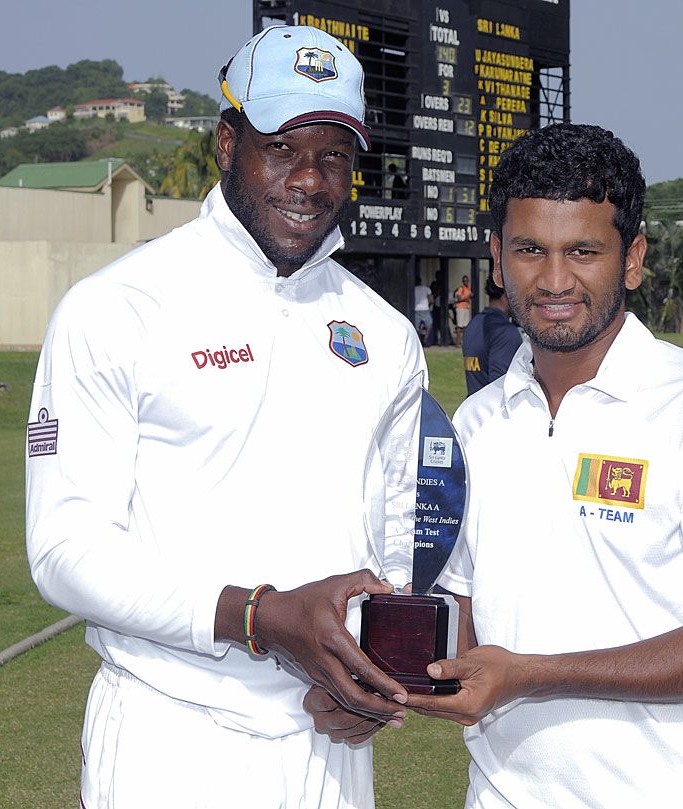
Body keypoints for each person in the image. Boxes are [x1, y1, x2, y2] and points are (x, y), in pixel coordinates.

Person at [25, 25, 424, 809]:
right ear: (226, 142)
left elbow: (399, 537)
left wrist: (378, 670)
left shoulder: (385, 334)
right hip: (168, 731)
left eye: (335, 155)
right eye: (281, 147)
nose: (309, 179)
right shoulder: (117, 308)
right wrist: (255, 616)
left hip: (325, 738)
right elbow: (65, 549)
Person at [402, 124, 683, 807]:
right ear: (498, 260)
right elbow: (461, 629)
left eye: (584, 250)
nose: (555, 280)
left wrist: (533, 674)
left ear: (633, 259)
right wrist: (371, 668)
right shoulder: (475, 425)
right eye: (530, 249)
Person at [461, 275, 523, 395]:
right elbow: (499, 385)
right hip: (495, 410)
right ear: (506, 294)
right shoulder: (505, 331)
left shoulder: (473, 324)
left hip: (474, 407)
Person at [453, 274, 473, 346]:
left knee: (466, 326)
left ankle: (464, 342)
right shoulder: (461, 288)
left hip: (466, 308)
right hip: (460, 308)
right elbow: (459, 298)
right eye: (465, 281)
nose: (466, 282)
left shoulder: (469, 288)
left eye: (467, 281)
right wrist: (467, 297)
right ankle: (457, 343)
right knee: (459, 326)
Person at [413, 274, 433, 346]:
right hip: (425, 309)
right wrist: (428, 305)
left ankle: (418, 340)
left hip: (416, 309)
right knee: (429, 324)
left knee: (416, 326)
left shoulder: (413, 289)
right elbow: (431, 300)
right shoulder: (426, 289)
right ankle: (425, 338)